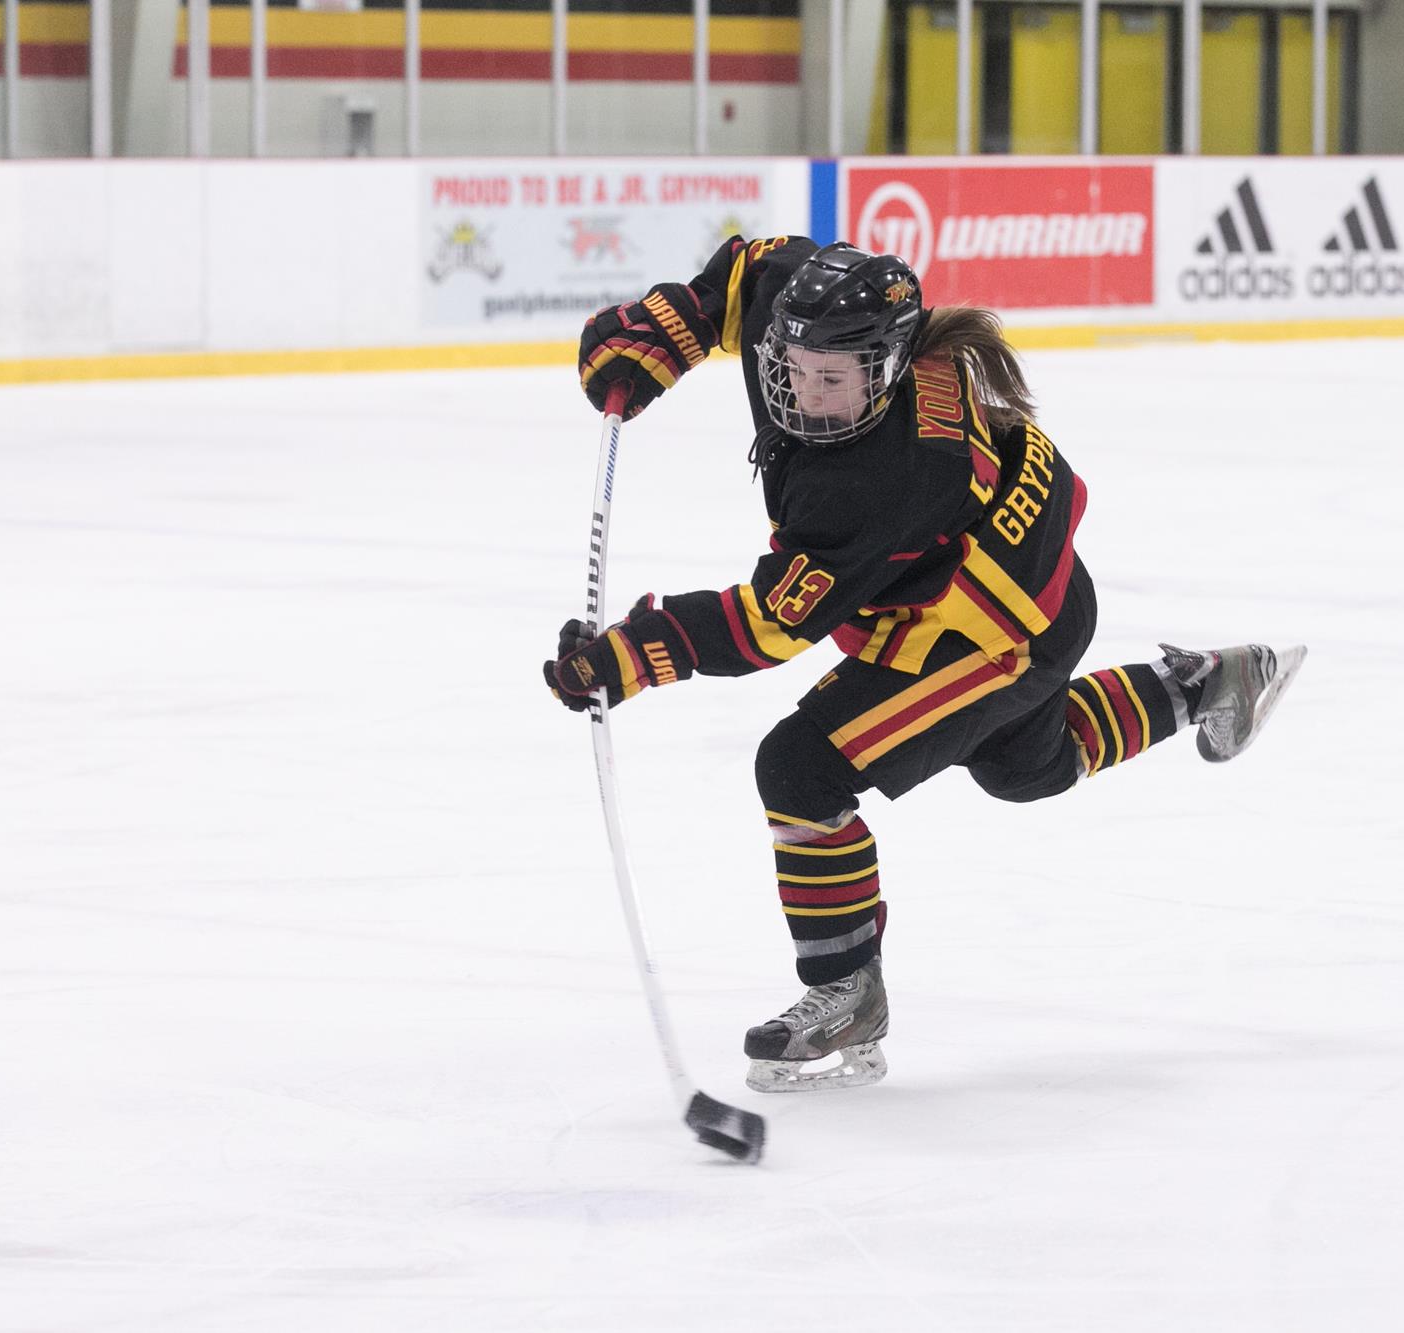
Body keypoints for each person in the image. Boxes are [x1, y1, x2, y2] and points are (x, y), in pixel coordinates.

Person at [544, 236, 1304, 1094]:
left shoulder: (882, 479)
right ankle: (1207, 683)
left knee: (800, 767)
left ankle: (845, 989)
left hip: (993, 633)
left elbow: (765, 627)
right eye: (789, 367)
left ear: (891, 365)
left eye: (833, 379)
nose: (804, 394)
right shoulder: (806, 308)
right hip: (1035, 586)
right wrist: (668, 329)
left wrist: (631, 656)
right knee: (1027, 768)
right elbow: (747, 271)